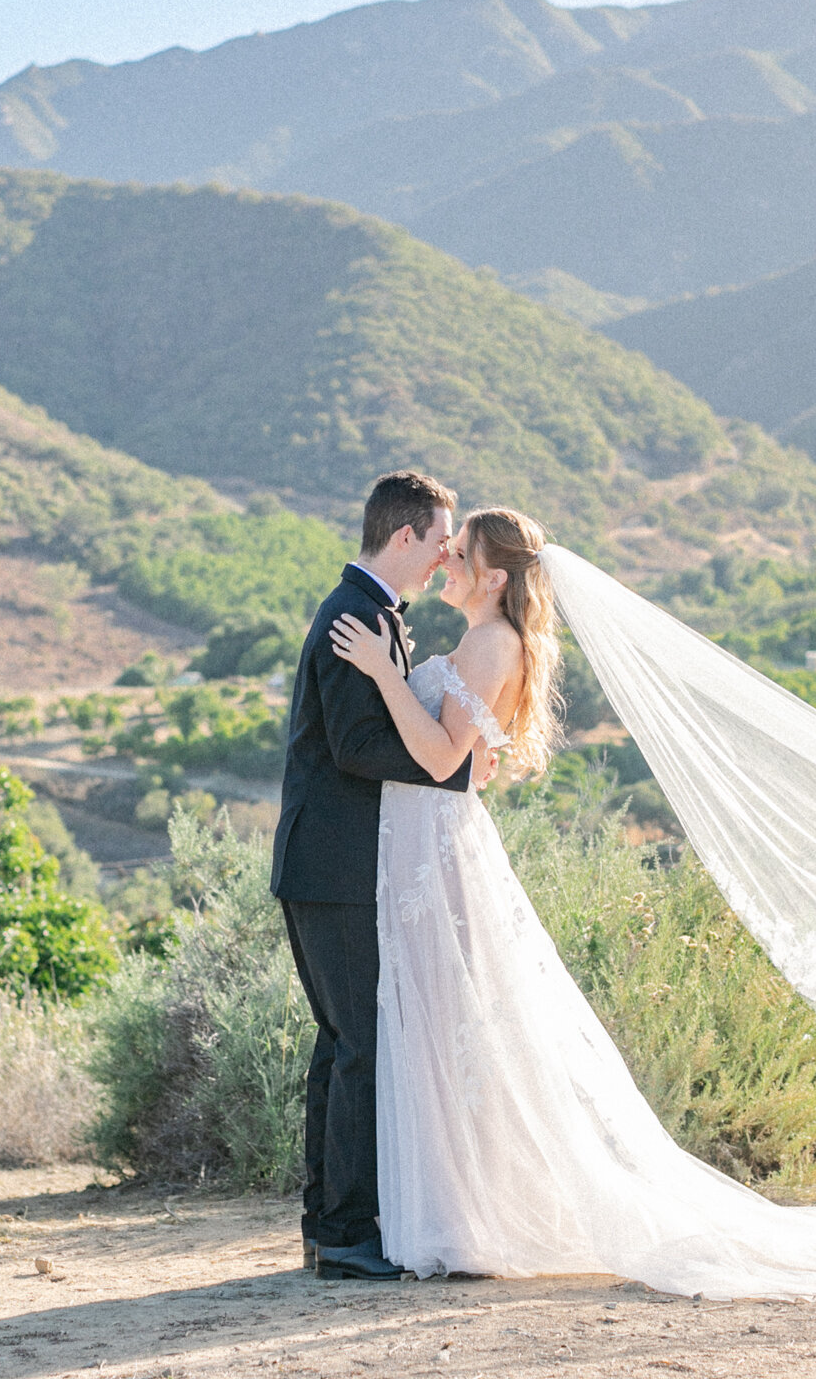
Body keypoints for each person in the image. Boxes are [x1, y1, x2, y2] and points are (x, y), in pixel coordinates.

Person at [328, 506, 816, 1298]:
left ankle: (461, 1217)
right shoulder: (485, 640)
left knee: (454, 1023)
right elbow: (462, 759)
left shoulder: (489, 643)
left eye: (462, 550)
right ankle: (460, 1210)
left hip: (436, 846)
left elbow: (445, 757)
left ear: (495, 576)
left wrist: (382, 673)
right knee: (450, 1026)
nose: (446, 557)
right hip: (427, 846)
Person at [271, 469, 477, 1281]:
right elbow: (356, 748)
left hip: (329, 864)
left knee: (343, 1044)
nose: (444, 557)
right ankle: (348, 1236)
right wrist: (455, 768)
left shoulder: (368, 612)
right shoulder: (354, 615)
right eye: (438, 542)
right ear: (404, 537)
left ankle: (330, 1225)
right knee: (360, 1044)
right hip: (337, 867)